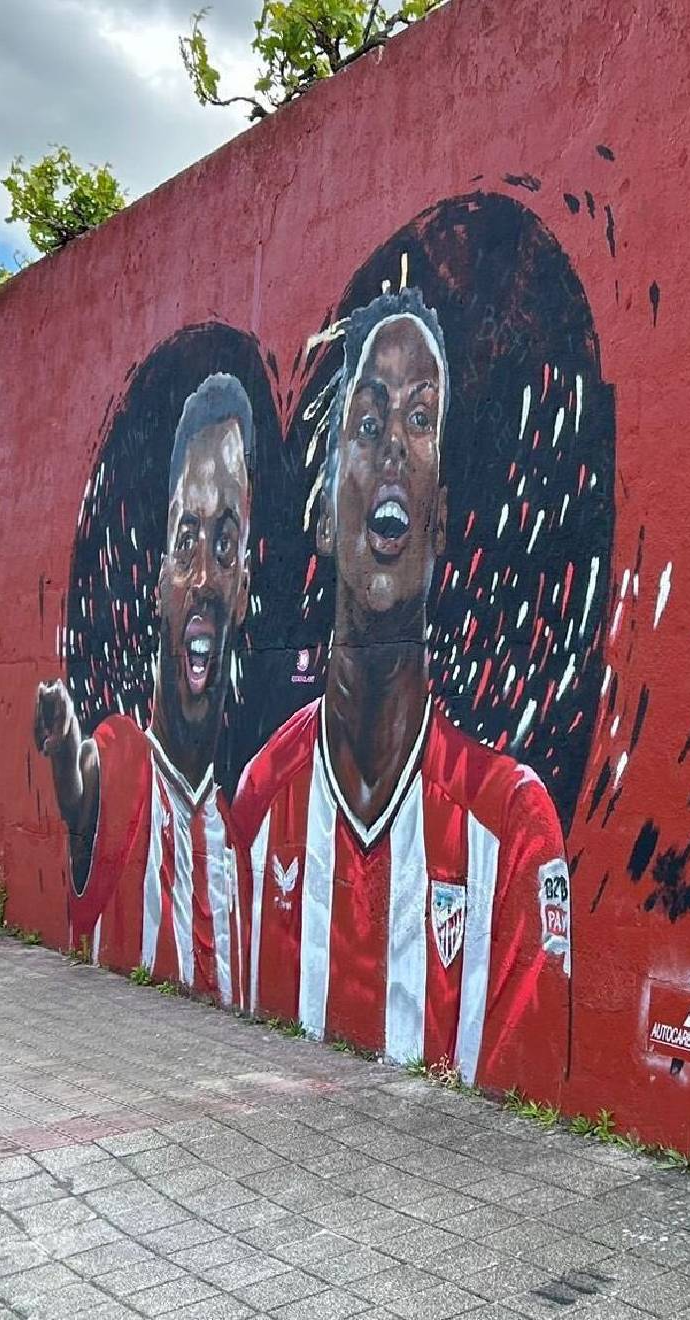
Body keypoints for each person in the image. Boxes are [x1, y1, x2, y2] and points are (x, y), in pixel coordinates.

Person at [231, 288, 570, 1091]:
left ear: (441, 520)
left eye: (421, 420)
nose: (391, 449)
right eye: (368, 420)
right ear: (323, 516)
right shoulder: (258, 803)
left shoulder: (513, 830)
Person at [33, 373, 256, 1007]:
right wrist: (62, 744)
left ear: (242, 588)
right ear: (160, 582)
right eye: (187, 541)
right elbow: (82, 792)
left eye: (226, 542)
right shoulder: (123, 759)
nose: (206, 574)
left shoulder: (235, 839)